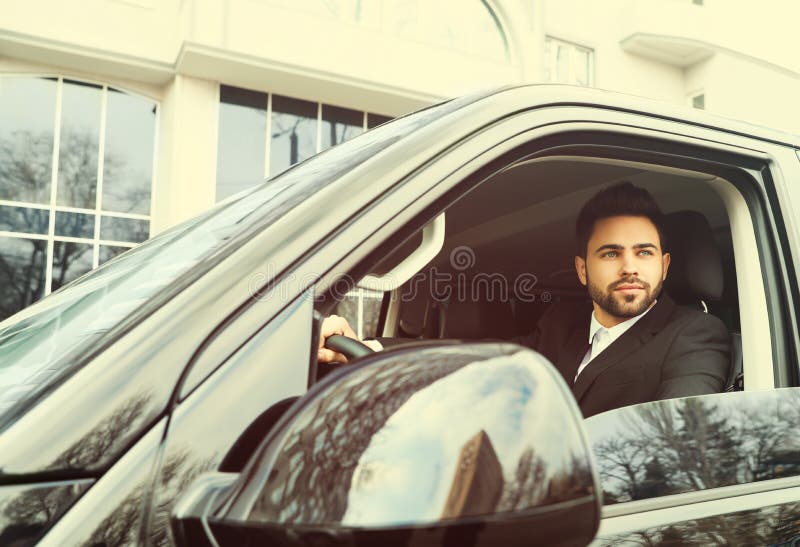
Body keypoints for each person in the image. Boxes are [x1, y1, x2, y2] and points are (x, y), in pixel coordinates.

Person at [318, 182, 731, 418]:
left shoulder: (695, 335)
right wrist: (372, 348)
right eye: (610, 253)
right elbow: (481, 357)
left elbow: (680, 437)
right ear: (583, 269)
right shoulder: (561, 323)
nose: (629, 267)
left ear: (665, 264)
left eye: (644, 252)